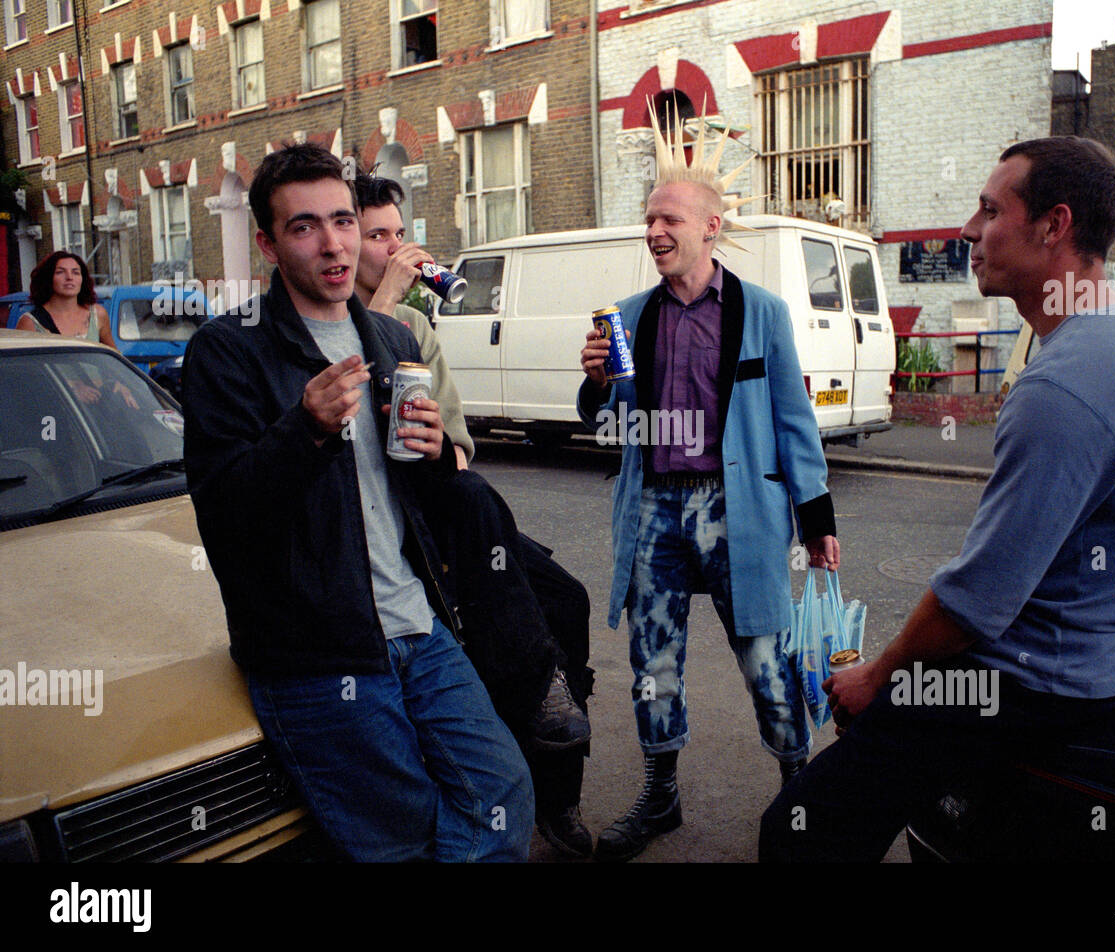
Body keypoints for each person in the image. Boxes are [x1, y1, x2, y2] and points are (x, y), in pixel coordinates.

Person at [760, 136, 1115, 862]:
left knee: (797, 832)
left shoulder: (1066, 384)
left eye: (990, 209)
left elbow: (975, 605)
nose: (969, 230)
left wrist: (875, 679)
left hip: (1029, 689)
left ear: (1053, 225)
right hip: (1102, 674)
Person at [182, 142, 533, 861]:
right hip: (317, 652)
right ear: (269, 244)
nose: (334, 241)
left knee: (499, 793)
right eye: (305, 226)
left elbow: (424, 503)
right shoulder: (227, 350)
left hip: (416, 625)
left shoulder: (391, 335)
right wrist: (303, 430)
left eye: (343, 220)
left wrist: (438, 458)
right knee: (396, 837)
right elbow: (224, 512)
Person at [577, 110, 840, 862]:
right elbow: (608, 423)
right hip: (654, 510)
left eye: (669, 218)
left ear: (711, 227)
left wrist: (815, 516)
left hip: (741, 511)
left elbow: (795, 420)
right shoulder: (628, 317)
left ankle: (798, 793)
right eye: (648, 219)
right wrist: (595, 384)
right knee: (653, 664)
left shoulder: (762, 313)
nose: (655, 230)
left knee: (767, 659)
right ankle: (661, 796)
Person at [351, 170, 597, 857]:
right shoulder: (342, 321)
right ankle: (524, 710)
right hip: (396, 529)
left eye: (400, 233)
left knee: (566, 601)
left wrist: (449, 454)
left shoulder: (416, 325)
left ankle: (559, 797)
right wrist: (388, 299)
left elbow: (453, 439)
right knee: (494, 599)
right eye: (378, 236)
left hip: (453, 506)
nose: (396, 247)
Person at [20, 251, 137, 407]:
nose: (70, 277)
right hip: (59, 406)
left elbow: (115, 360)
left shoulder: (97, 314)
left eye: (76, 272)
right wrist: (72, 388)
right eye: (60, 272)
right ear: (48, 278)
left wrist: (122, 384)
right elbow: (26, 376)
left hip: (100, 403)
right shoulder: (30, 323)